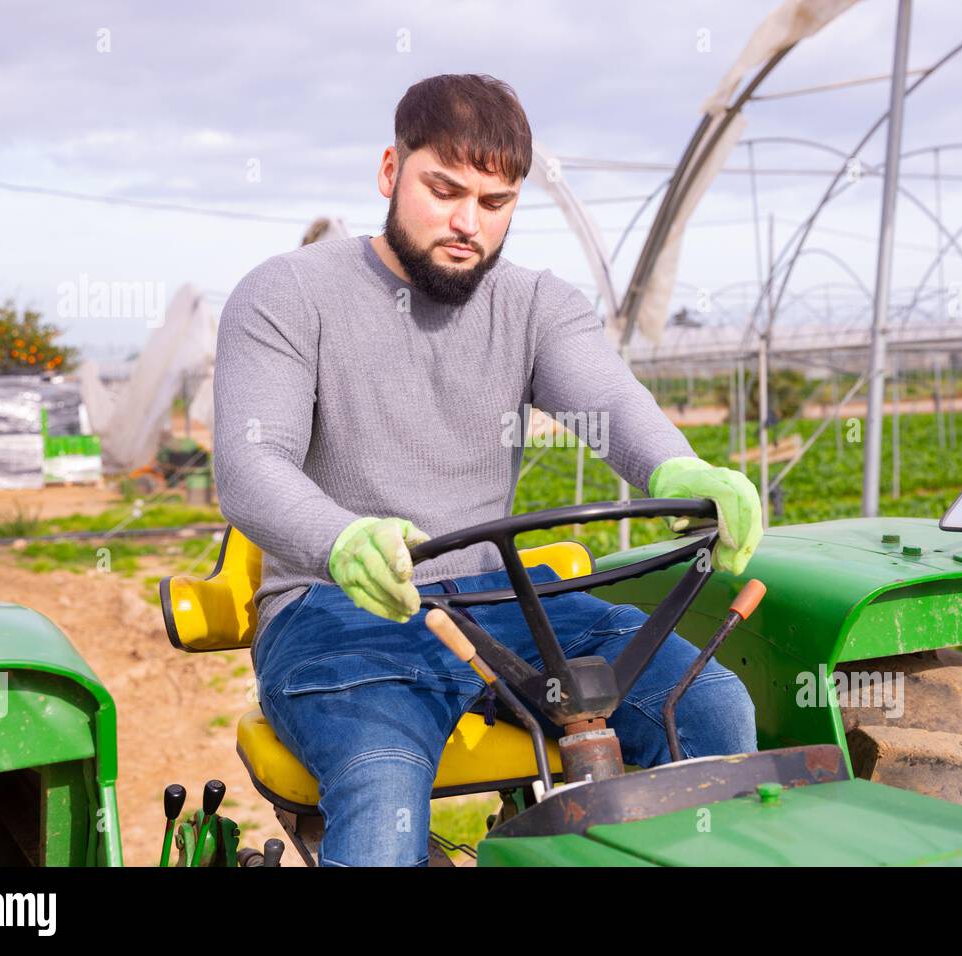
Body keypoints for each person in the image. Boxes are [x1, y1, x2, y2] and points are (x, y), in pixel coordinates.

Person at [214, 73, 762, 866]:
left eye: (495, 202)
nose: (468, 223)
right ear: (389, 171)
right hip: (338, 610)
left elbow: (607, 400)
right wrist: (342, 538)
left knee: (708, 702)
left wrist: (677, 467)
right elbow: (249, 462)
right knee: (381, 791)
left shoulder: (537, 305)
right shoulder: (287, 295)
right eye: (445, 190)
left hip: (502, 604)